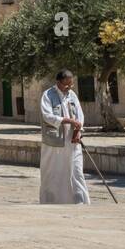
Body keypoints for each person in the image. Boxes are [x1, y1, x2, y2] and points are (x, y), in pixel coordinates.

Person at [40, 70, 90, 205]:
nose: (68, 87)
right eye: (66, 84)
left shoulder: (72, 95)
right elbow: (48, 116)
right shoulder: (48, 95)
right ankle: (51, 202)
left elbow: (80, 116)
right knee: (54, 173)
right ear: (58, 83)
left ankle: (80, 202)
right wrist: (67, 121)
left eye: (71, 84)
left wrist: (78, 129)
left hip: (72, 141)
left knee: (77, 171)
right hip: (55, 143)